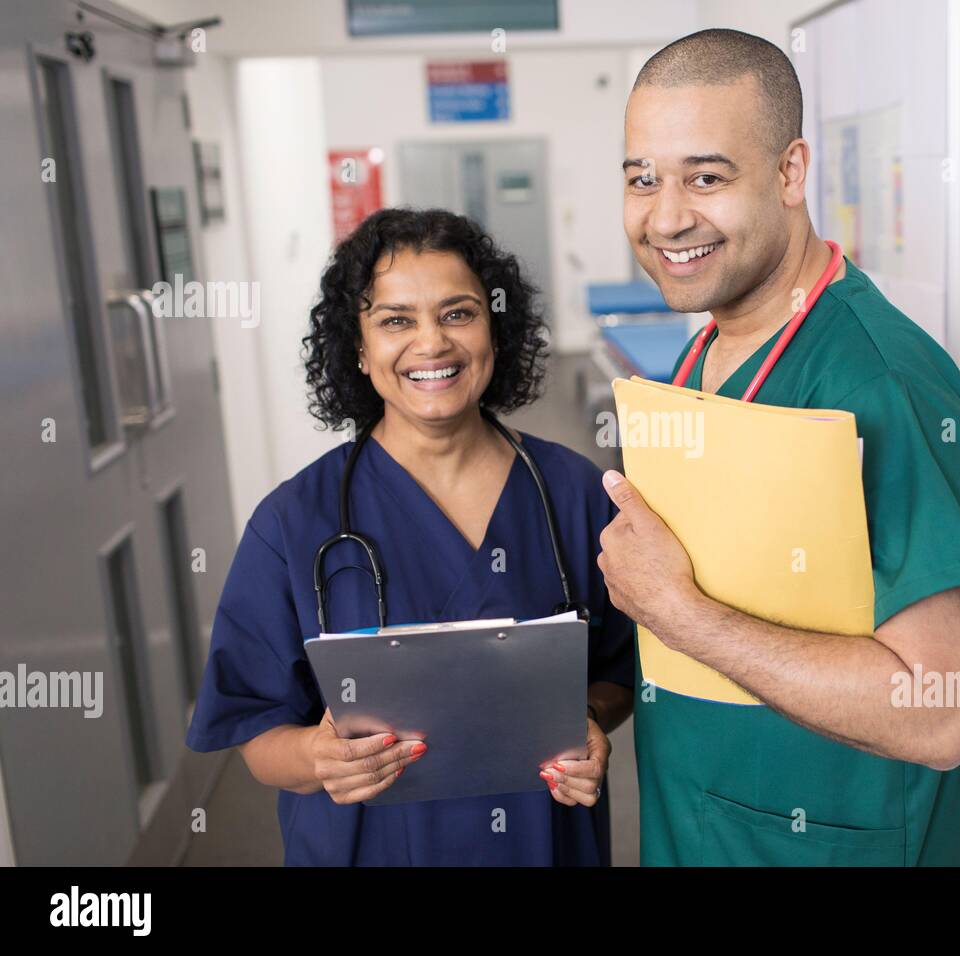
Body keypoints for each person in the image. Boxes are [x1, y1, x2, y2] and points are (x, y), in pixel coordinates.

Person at [598, 29, 960, 865]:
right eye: (643, 179)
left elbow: (940, 711)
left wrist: (677, 612)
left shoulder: (879, 382)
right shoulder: (710, 348)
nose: (666, 217)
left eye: (707, 177)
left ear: (790, 172)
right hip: (704, 828)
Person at [186, 208, 634, 865]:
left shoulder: (573, 494)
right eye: (396, 320)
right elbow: (256, 730)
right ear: (359, 349)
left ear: (495, 329)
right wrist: (316, 756)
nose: (432, 343)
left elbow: (622, 671)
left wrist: (588, 719)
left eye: (458, 313)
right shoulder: (293, 522)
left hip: (541, 844)